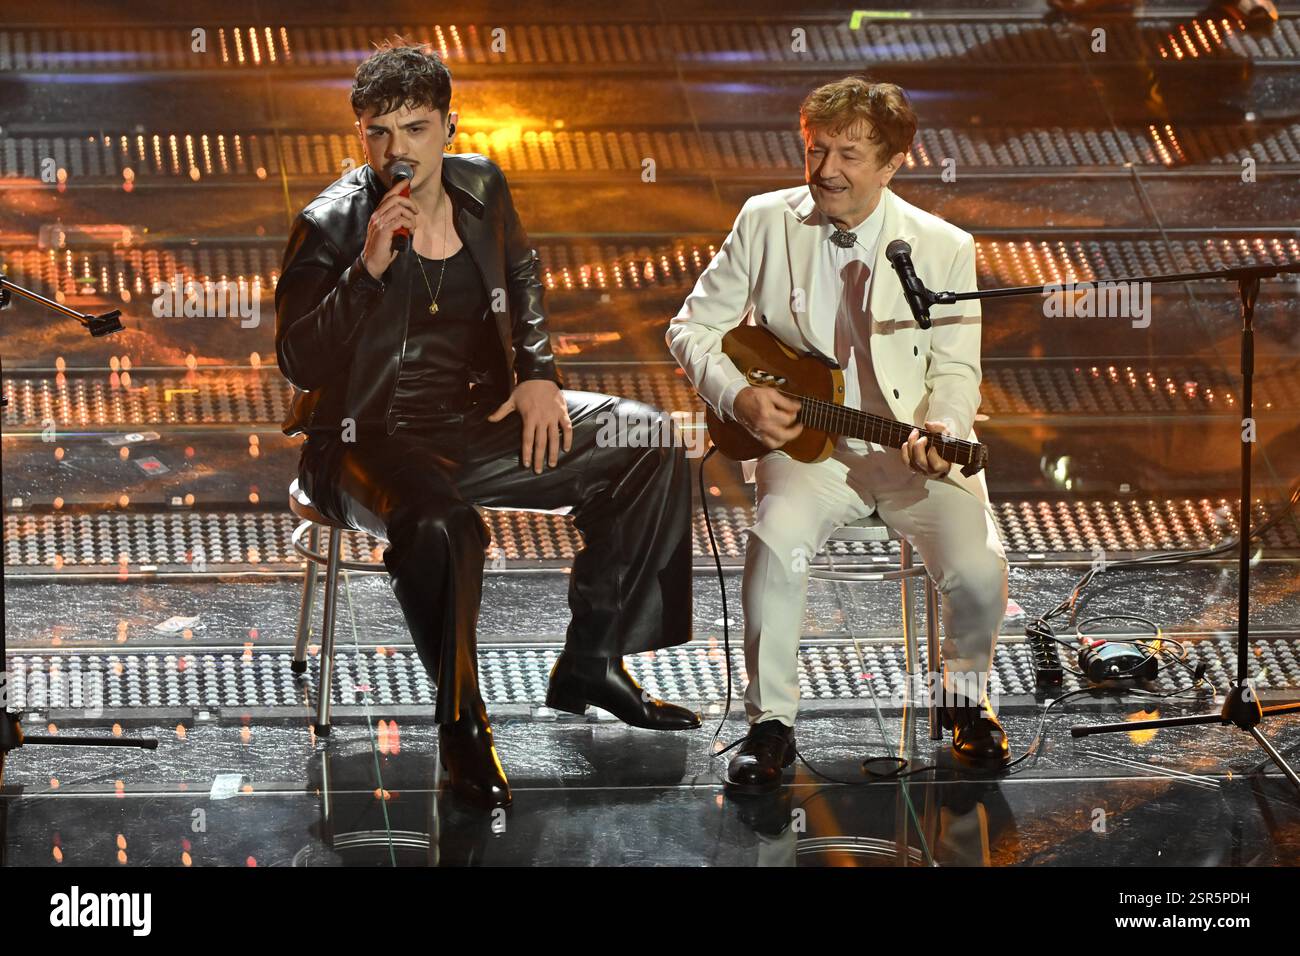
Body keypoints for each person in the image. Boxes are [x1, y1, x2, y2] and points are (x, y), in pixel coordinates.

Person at [276, 41, 699, 810]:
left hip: (477, 419)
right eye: (378, 132)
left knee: (650, 441)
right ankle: (462, 728)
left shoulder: (481, 184)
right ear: (358, 135)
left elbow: (522, 270)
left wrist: (538, 371)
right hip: (366, 439)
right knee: (444, 525)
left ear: (448, 126)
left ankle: (595, 661)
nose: (396, 151)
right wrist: (364, 272)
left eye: (414, 128)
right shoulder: (331, 224)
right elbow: (299, 361)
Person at [667, 77, 1011, 794]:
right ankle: (770, 728)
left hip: (912, 453)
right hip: (809, 452)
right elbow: (690, 327)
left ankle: (962, 697)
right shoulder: (765, 221)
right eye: (817, 150)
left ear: (892, 164)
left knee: (980, 568)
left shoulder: (942, 247)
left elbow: (955, 369)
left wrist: (943, 428)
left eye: (849, 154)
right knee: (773, 544)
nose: (826, 170)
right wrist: (738, 395)